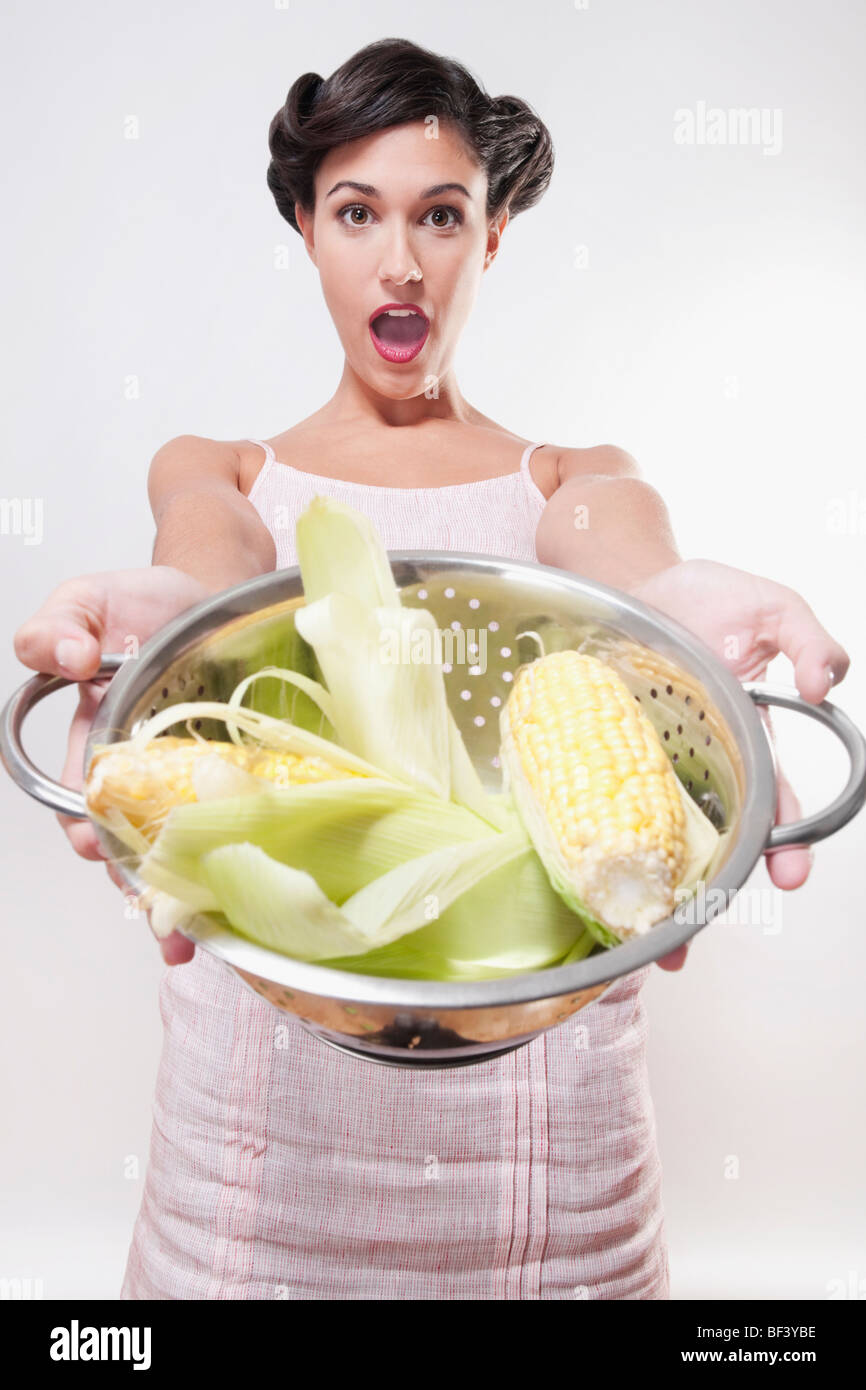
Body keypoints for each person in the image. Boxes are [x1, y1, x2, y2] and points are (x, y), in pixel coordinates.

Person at [13, 38, 849, 1299]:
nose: (399, 261)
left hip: (553, 1187)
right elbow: (212, 551)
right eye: (356, 212)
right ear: (304, 227)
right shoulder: (223, 469)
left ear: (493, 236)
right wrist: (178, 610)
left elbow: (618, 549)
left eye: (441, 216)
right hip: (253, 1185)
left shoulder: (570, 477)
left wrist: (670, 604)